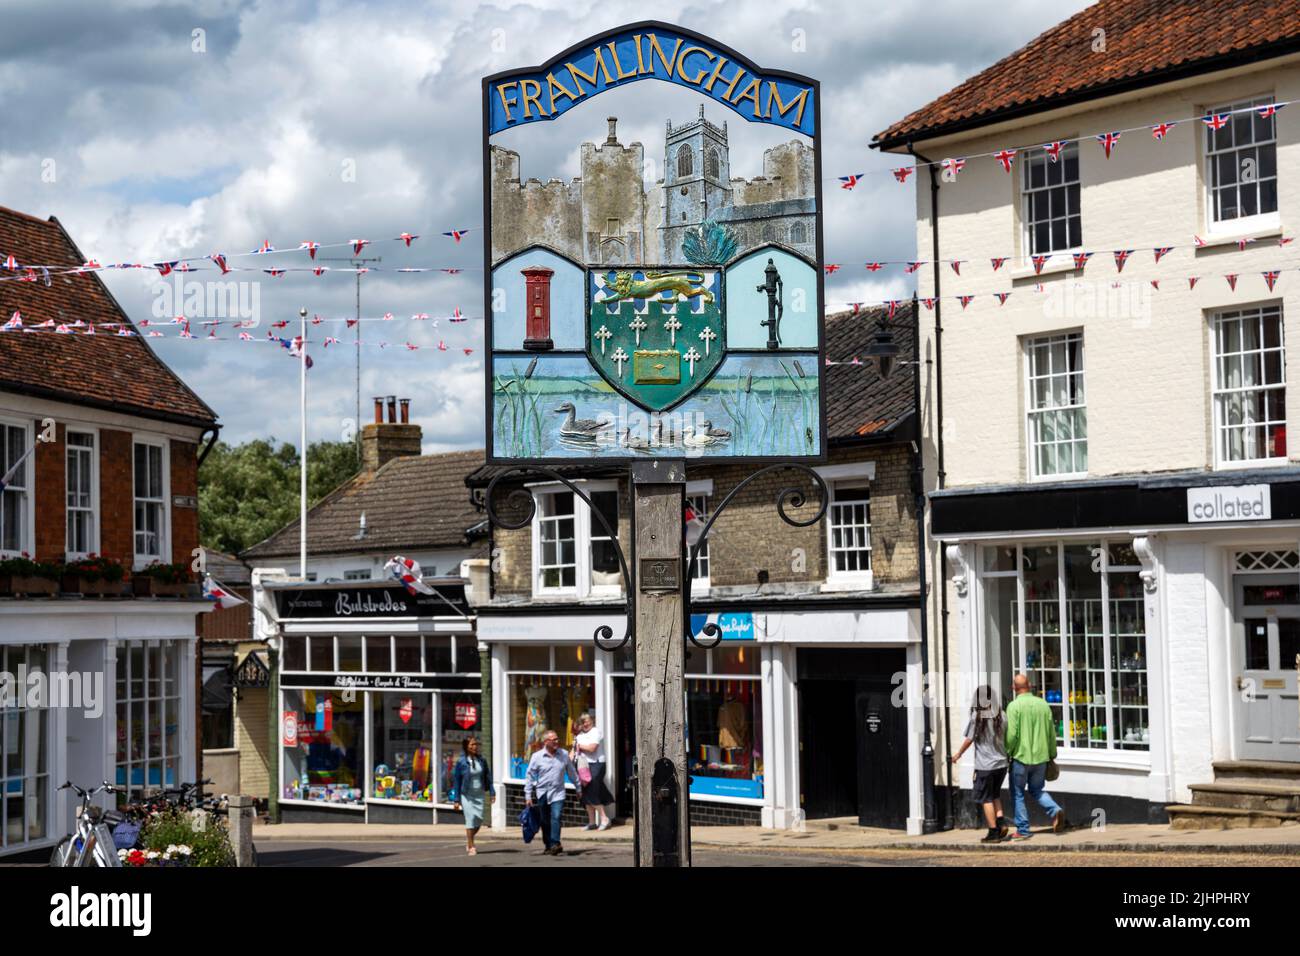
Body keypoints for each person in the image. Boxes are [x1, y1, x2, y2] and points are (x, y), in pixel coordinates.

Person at [1005, 673, 1067, 839]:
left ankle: (1023, 830)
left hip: (1021, 757)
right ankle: (1055, 810)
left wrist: (1008, 751)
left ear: (1014, 688)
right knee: (1037, 789)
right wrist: (1052, 753)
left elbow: (1011, 735)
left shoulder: (1013, 706)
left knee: (1017, 793)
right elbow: (1050, 733)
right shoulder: (1043, 705)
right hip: (1041, 757)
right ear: (1030, 685)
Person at [951, 685, 1009, 844]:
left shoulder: (977, 717)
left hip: (985, 766)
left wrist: (958, 754)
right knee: (995, 794)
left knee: (986, 798)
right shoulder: (1002, 715)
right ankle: (1001, 822)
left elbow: (969, 739)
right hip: (1002, 764)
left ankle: (993, 832)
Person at [524, 729, 581, 855]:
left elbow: (571, 772)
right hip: (542, 792)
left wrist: (578, 787)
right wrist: (528, 795)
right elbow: (530, 776)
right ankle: (548, 844)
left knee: (556, 816)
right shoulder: (537, 757)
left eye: (557, 739)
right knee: (545, 820)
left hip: (558, 792)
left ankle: (555, 843)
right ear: (546, 742)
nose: (557, 741)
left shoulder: (564, 754)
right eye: (553, 740)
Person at [572, 712, 615, 831]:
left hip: (597, 764)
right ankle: (592, 822)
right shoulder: (579, 735)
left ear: (592, 721)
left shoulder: (596, 732)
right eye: (583, 722)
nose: (585, 724)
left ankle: (604, 818)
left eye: (587, 721)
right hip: (584, 766)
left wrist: (578, 746)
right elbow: (573, 752)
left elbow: (592, 748)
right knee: (586, 792)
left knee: (591, 790)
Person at [450, 735, 492, 856]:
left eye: (476, 744)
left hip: (479, 794)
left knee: (478, 820)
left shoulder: (482, 760)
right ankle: (471, 846)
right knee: (470, 820)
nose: (475, 746)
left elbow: (488, 777)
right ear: (466, 747)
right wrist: (456, 800)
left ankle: (469, 839)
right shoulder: (461, 762)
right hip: (466, 795)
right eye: (472, 744)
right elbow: (457, 781)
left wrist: (492, 792)